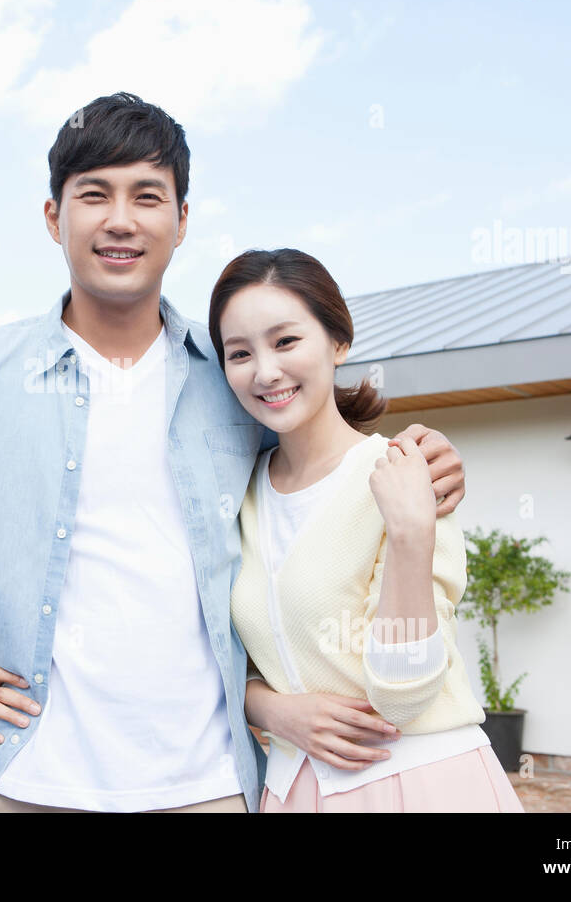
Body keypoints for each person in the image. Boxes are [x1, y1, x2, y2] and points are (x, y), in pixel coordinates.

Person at [0, 92, 468, 813]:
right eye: (94, 195)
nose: (121, 220)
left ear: (182, 220)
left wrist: (418, 450)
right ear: (53, 216)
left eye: (147, 196)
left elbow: (316, 453)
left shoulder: (230, 381)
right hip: (33, 781)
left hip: (210, 786)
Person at [210, 248, 524, 812]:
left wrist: (411, 533)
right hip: (293, 788)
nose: (265, 371)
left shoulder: (406, 473)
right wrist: (272, 710)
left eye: (286, 341)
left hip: (420, 783)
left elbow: (404, 696)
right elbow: (232, 661)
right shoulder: (238, 496)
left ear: (338, 341)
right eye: (240, 353)